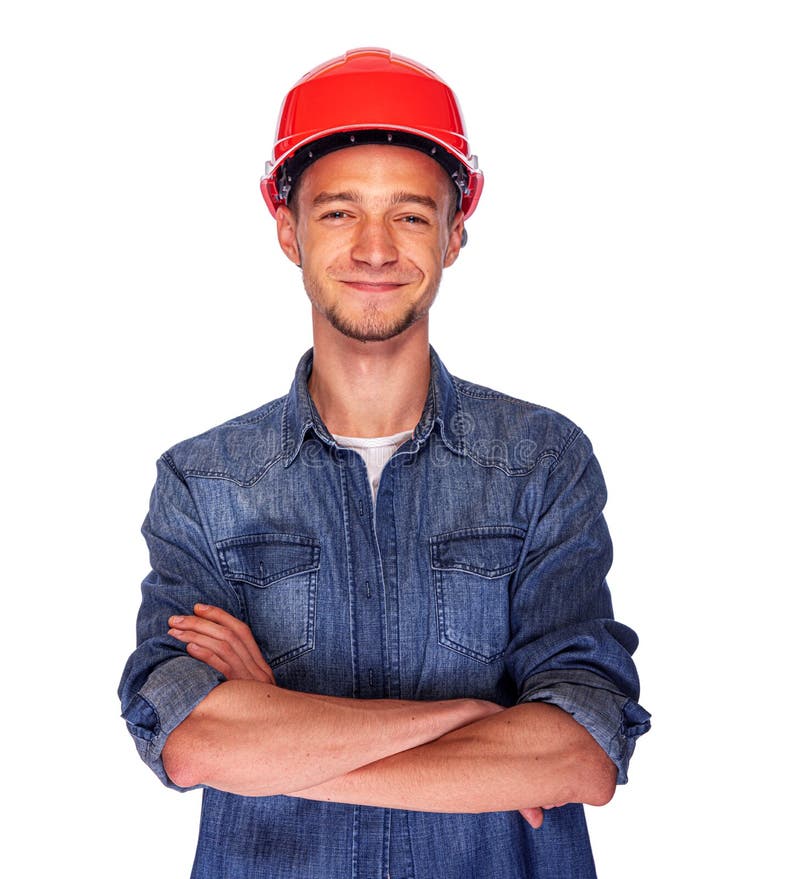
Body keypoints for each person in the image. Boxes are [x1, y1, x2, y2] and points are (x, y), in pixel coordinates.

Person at [119, 47, 650, 879]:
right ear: (289, 229)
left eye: (408, 214)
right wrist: (478, 720)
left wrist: (282, 728)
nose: (375, 248)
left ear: (455, 233)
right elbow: (191, 741)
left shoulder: (542, 463)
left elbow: (578, 752)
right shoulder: (204, 485)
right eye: (338, 213)